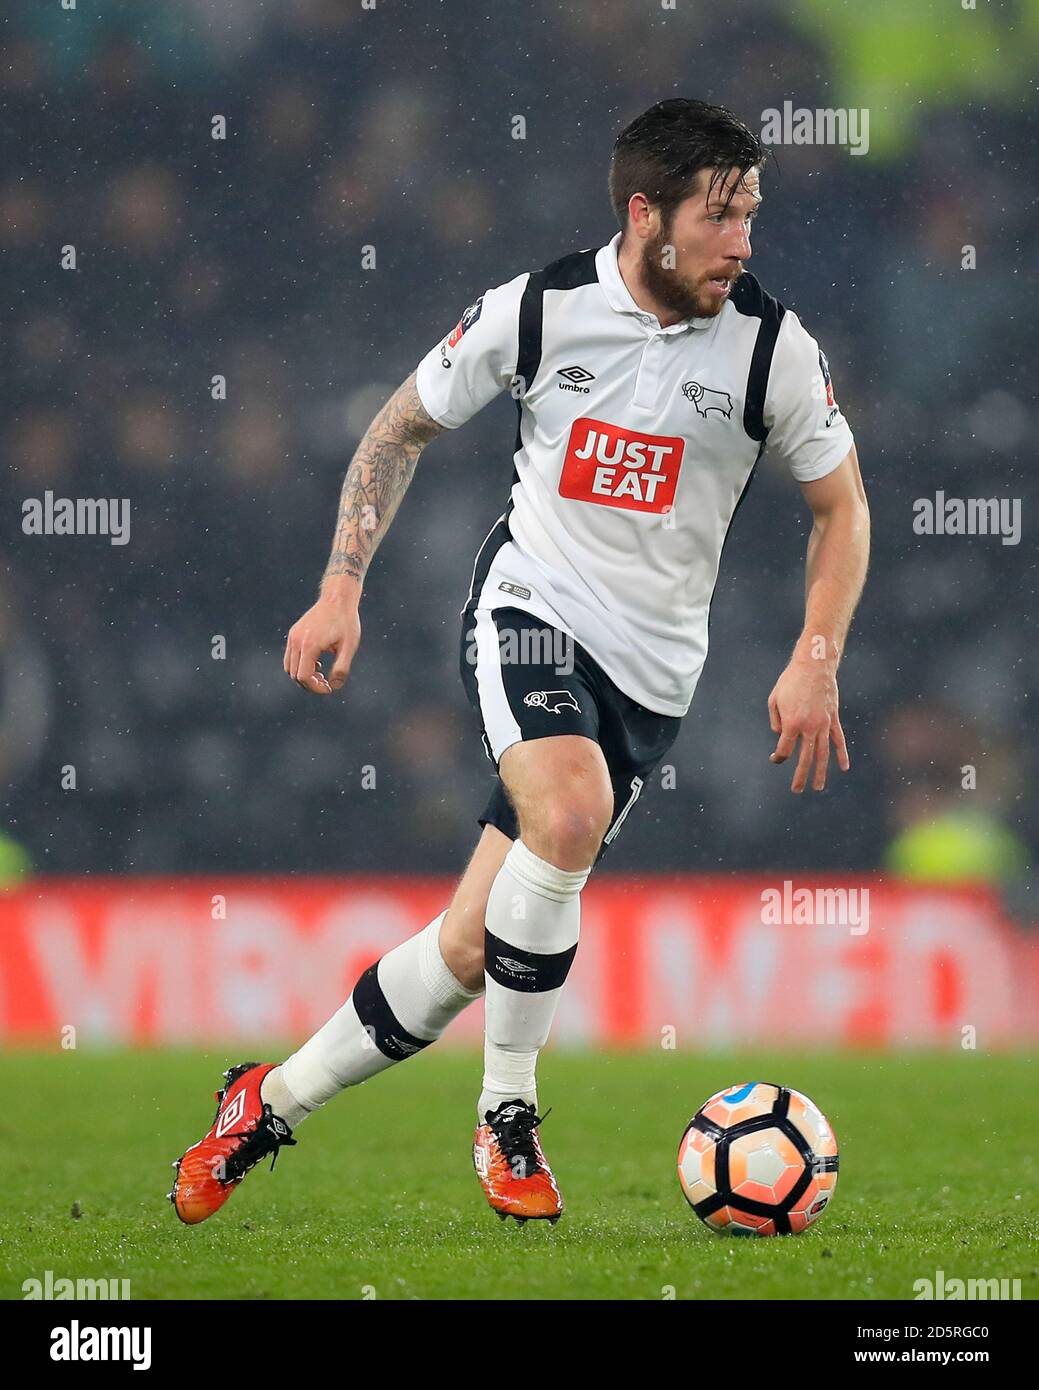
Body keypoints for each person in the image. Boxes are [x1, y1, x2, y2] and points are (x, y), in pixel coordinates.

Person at [169, 98, 870, 1226]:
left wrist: (816, 653)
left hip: (654, 676)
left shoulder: (773, 350)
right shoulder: (537, 311)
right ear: (646, 215)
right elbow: (397, 427)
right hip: (531, 610)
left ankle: (266, 1101)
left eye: (752, 215)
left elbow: (841, 509)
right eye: (720, 214)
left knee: (466, 946)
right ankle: (508, 1114)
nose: (743, 241)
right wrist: (340, 584)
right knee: (568, 810)